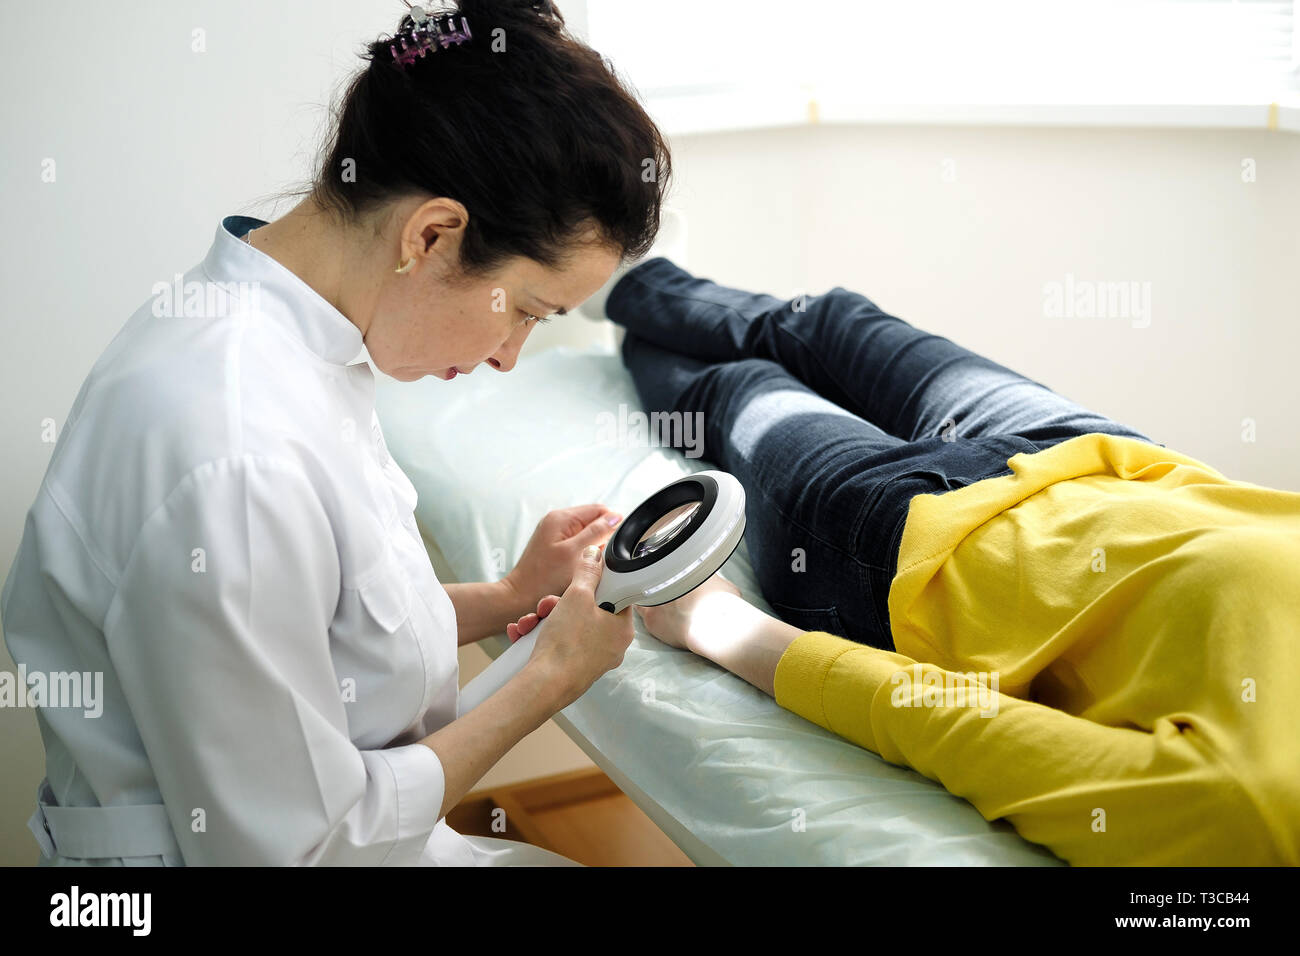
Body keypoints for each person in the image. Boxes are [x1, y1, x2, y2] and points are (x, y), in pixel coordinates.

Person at [0, 0, 670, 866]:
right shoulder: (234, 450)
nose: (511, 356)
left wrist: (507, 596)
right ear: (432, 235)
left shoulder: (291, 337)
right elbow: (304, 850)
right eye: (527, 313)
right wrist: (550, 677)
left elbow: (326, 644)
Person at [512, 257, 1300, 866]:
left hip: (906, 545)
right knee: (825, 321)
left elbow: (952, 725)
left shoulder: (1253, 811)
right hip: (1107, 455)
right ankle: (609, 278)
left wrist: (720, 626)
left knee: (733, 386)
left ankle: (614, 322)